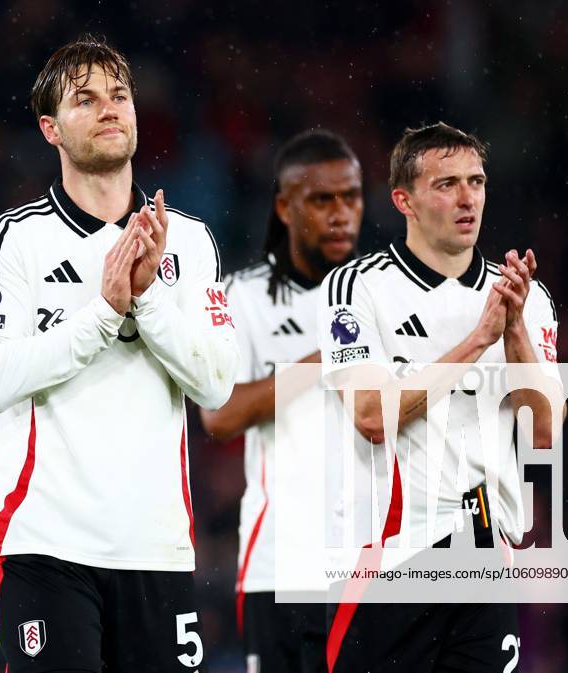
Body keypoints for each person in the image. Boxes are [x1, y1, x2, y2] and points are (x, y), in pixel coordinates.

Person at [0, 35, 238, 672]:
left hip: (157, 552)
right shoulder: (13, 239)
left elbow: (218, 385)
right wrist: (104, 313)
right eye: (85, 100)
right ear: (50, 128)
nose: (110, 109)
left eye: (120, 96)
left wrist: (146, 301)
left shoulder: (190, 243)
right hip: (45, 546)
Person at [317, 122, 561, 672]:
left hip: (483, 554)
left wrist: (515, 329)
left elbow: (544, 428)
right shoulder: (357, 288)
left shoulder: (525, 296)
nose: (466, 196)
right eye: (446, 183)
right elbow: (371, 415)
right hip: (386, 555)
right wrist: (477, 340)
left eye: (475, 181)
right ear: (404, 199)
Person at [198, 129, 363, 673]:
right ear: (285, 207)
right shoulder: (241, 298)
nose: (341, 213)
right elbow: (218, 414)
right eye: (323, 199)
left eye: (352, 196)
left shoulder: (383, 293)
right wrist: (327, 362)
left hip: (378, 566)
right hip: (280, 566)